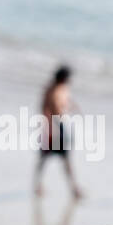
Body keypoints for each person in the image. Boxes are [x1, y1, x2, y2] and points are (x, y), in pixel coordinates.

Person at [34, 65, 83, 200]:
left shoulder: (63, 88)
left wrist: (74, 107)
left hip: (61, 125)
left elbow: (66, 101)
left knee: (65, 158)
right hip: (53, 126)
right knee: (45, 158)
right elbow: (45, 109)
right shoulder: (50, 90)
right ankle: (38, 185)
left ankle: (74, 188)